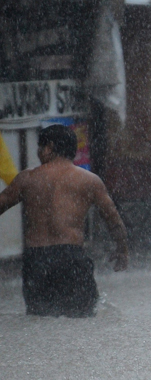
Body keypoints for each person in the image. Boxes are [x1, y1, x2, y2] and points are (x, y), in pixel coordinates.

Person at [0, 124, 129, 317]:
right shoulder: (90, 181)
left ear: (49, 148)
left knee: (39, 322)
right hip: (71, 258)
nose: (38, 153)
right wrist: (122, 250)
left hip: (36, 261)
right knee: (83, 321)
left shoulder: (26, 179)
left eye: (40, 147)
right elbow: (113, 219)